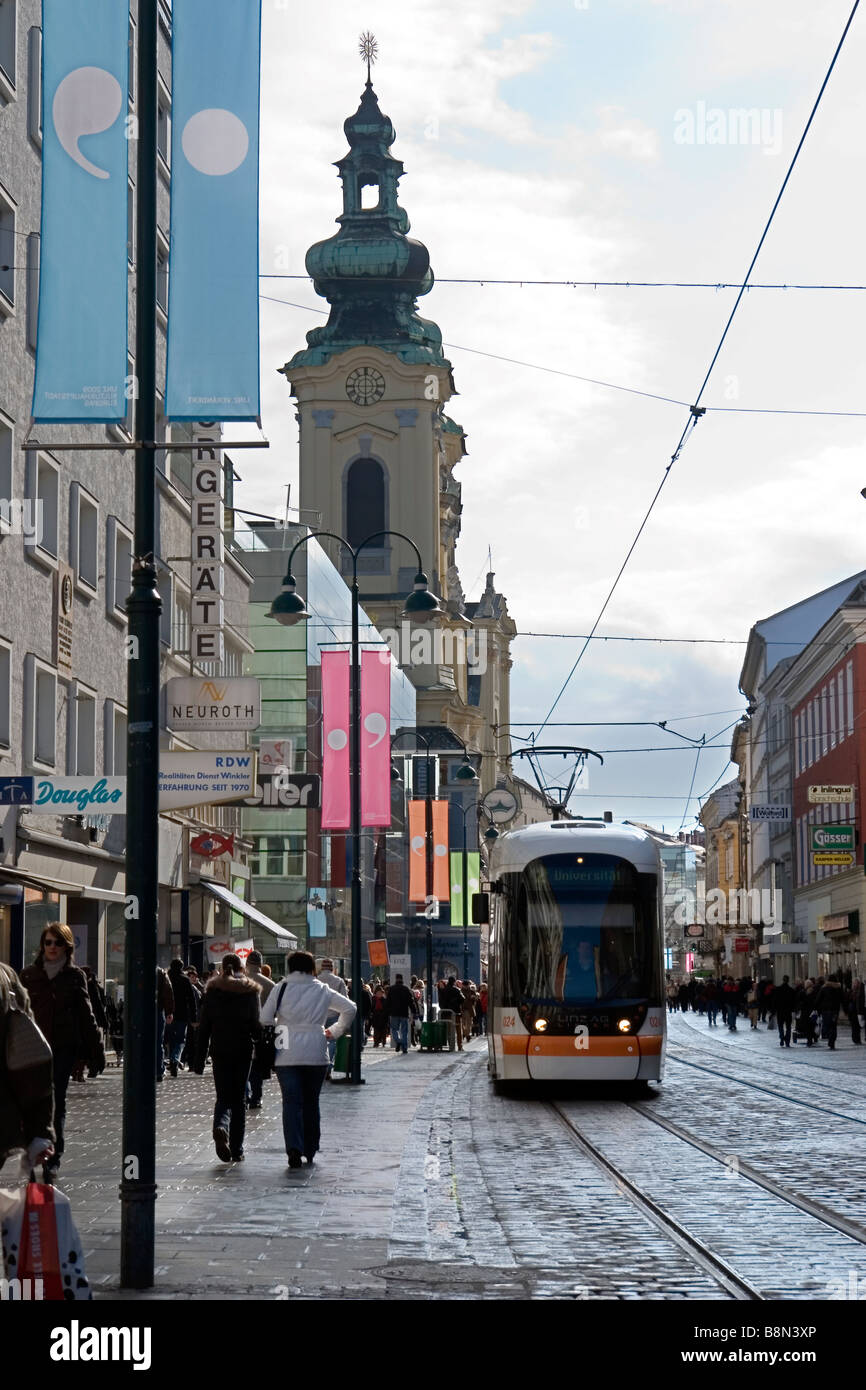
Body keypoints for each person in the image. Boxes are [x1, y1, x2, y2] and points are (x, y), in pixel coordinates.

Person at [20, 924, 103, 1179]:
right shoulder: (29, 975)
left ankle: (52, 1158)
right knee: (32, 1102)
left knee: (56, 1102)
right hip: (33, 1048)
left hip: (63, 1048)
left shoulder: (75, 976)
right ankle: (33, 1154)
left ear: (66, 946)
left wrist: (96, 1049)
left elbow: (85, 1014)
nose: (52, 947)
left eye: (57, 943)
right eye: (48, 942)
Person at [260, 950, 356, 1168]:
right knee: (312, 1102)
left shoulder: (281, 987)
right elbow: (350, 1008)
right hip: (316, 1051)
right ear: (312, 967)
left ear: (290, 967)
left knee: (291, 1102)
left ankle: (293, 1147)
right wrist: (335, 1030)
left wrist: (282, 1028)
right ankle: (311, 1147)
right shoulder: (322, 989)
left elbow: (265, 1018)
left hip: (286, 1053)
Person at [194, 953, 261, 1162]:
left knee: (223, 1096)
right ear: (242, 968)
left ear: (222, 968)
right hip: (242, 1051)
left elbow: (204, 1027)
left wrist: (198, 1058)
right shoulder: (250, 992)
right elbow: (256, 1025)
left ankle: (221, 1126)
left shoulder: (213, 991)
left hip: (220, 1050)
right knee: (239, 1100)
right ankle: (237, 1149)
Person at [0, 962, 55, 1172]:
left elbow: (31, 1062)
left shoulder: (6, 979)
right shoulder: (7, 977)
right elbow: (33, 1066)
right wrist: (39, 1134)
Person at [245, 950, 274, 1108]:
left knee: (242, 1064)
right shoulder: (270, 984)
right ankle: (256, 1096)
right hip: (262, 1029)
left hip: (241, 1029)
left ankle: (245, 1094)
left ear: (247, 963)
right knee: (256, 1065)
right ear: (260, 964)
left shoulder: (239, 981)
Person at [166, 958, 199, 1077]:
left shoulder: (167, 978)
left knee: (170, 1039)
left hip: (168, 1014)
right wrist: (194, 1017)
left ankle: (172, 1059)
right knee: (181, 1039)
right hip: (182, 1015)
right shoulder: (185, 980)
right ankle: (175, 1059)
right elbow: (191, 999)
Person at [317, 958, 348, 1072]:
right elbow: (345, 999)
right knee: (332, 1041)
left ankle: (322, 1064)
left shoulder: (316, 980)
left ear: (322, 968)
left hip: (320, 1016)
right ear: (332, 968)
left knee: (320, 1041)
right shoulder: (339, 981)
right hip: (334, 1016)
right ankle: (328, 1065)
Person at [386, 974, 418, 1055]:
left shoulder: (391, 989)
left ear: (396, 979)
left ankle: (398, 1041)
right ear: (402, 979)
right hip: (404, 1013)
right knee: (404, 1031)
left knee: (394, 1030)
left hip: (394, 1013)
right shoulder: (406, 989)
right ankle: (404, 1048)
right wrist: (414, 1012)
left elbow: (387, 1002)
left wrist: (387, 1012)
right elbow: (411, 1002)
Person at [814, 973, 843, 1050]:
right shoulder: (838, 988)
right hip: (835, 1011)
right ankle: (832, 1041)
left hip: (826, 1011)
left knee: (827, 1025)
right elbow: (842, 999)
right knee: (833, 1026)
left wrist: (816, 1008)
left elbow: (818, 999)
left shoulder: (824, 988)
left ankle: (830, 1039)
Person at [156, 966, 174, 1082]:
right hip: (157, 1010)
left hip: (139, 1012)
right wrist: (169, 1011)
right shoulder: (160, 972)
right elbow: (168, 992)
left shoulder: (135, 969)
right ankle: (158, 1070)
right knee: (158, 1042)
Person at [440, 976, 466, 1050]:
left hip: (446, 1013)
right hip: (456, 1012)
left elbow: (441, 1002)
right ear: (454, 982)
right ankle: (460, 1046)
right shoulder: (456, 990)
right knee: (458, 1029)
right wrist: (456, 1002)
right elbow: (462, 999)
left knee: (449, 1029)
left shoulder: (444, 990)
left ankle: (451, 1045)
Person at [774, 974, 795, 1048]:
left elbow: (775, 1000)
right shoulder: (791, 990)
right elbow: (793, 1002)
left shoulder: (778, 989)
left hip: (780, 1011)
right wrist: (793, 1009)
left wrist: (774, 1009)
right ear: (788, 981)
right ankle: (787, 1041)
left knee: (780, 1025)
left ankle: (782, 1037)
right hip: (788, 1011)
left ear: (783, 980)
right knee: (788, 1026)